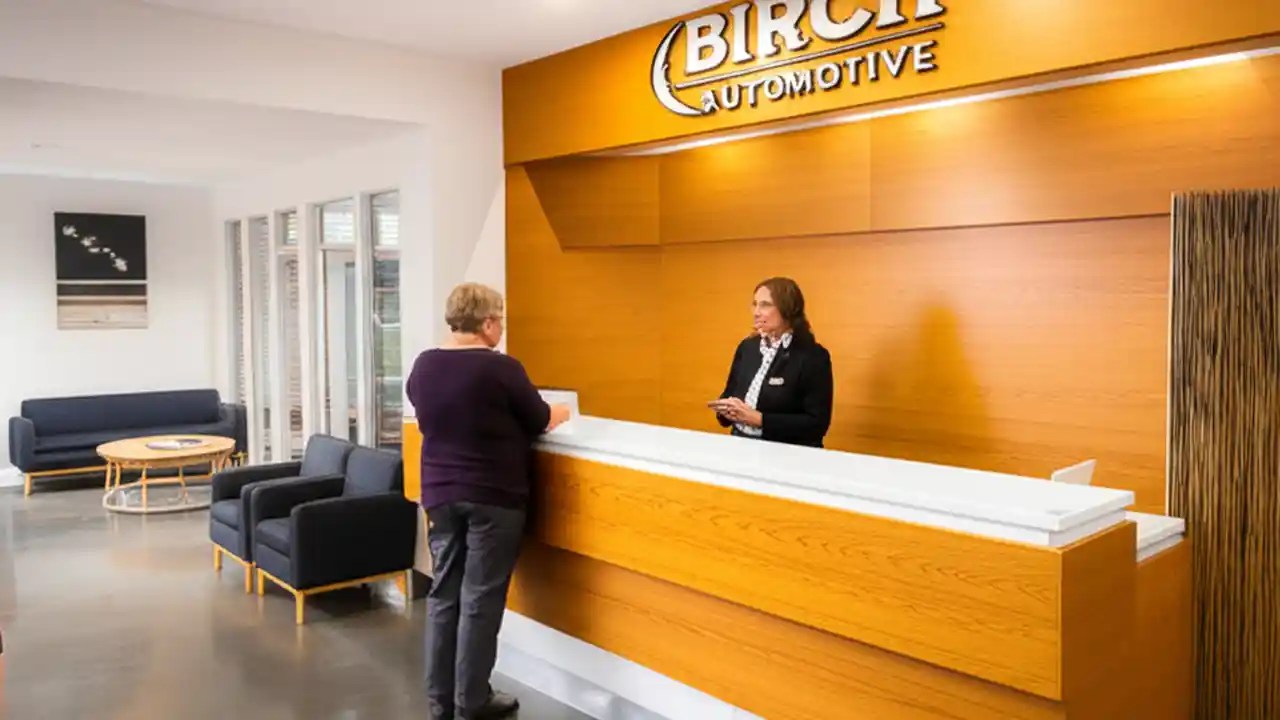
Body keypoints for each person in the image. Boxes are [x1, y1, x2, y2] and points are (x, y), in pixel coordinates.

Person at [406, 283, 570, 720]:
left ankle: (440, 702)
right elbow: (538, 419)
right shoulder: (500, 369)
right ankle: (471, 700)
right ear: (488, 323)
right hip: (494, 497)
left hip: (440, 495)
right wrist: (561, 413)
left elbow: (428, 418)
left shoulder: (424, 366)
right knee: (480, 599)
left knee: (444, 596)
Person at [709, 277, 834, 448]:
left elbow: (817, 424)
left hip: (787, 453)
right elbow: (731, 392)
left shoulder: (813, 356)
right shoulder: (747, 348)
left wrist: (760, 420)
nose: (756, 312)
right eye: (755, 304)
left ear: (787, 309)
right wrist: (726, 410)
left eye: (765, 305)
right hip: (740, 444)